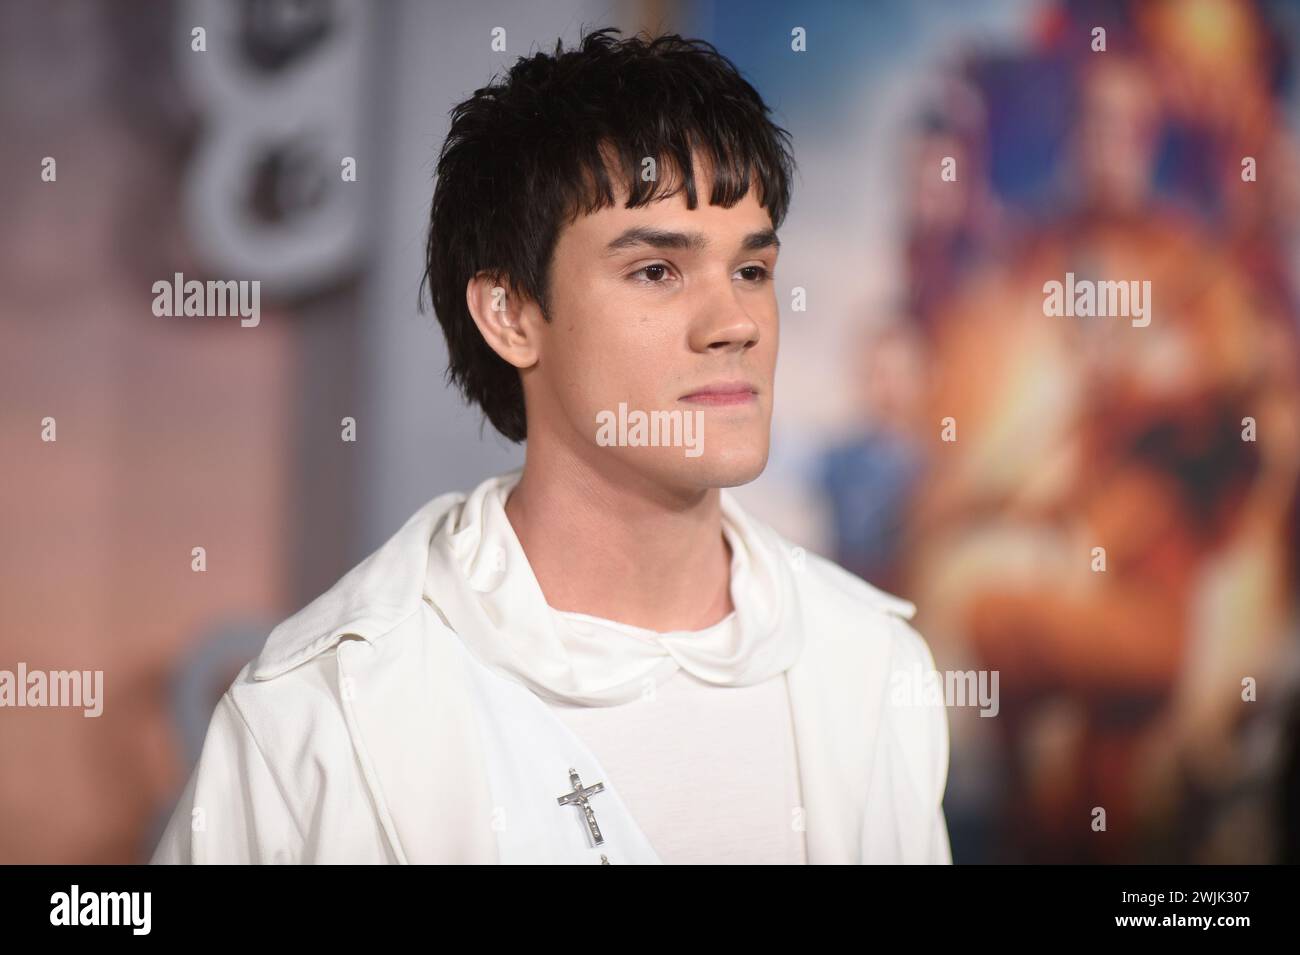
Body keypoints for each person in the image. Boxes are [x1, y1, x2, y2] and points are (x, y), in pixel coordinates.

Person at [151, 26, 952, 865]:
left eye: (751, 270)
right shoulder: (321, 714)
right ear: (510, 314)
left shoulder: (872, 665)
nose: (736, 324)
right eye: (657, 271)